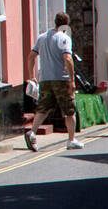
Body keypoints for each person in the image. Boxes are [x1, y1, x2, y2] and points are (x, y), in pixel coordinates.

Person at [24, 11, 85, 151]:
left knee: (43, 108)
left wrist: (31, 75)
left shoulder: (42, 37)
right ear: (66, 25)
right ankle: (71, 140)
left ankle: (32, 132)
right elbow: (68, 59)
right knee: (69, 111)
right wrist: (72, 78)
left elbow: (31, 57)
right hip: (61, 79)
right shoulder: (64, 38)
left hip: (45, 79)